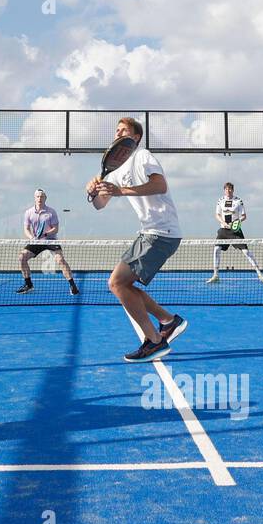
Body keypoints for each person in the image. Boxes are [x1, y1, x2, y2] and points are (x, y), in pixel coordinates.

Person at [86, 118, 188, 362]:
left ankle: (154, 341)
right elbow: (101, 204)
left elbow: (160, 185)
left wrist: (121, 191)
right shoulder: (118, 170)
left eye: (124, 130)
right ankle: (168, 320)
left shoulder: (143, 156)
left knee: (117, 284)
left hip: (161, 233)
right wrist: (92, 192)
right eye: (116, 130)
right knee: (123, 285)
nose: (118, 133)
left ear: (136, 138)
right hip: (150, 233)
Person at [16, 188, 79, 295]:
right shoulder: (28, 212)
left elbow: (56, 229)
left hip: (51, 241)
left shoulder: (51, 212)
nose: (39, 198)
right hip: (36, 242)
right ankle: (28, 284)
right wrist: (31, 238)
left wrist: (46, 234)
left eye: (42, 196)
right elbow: (26, 229)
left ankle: (73, 286)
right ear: (34, 198)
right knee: (22, 257)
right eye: (37, 196)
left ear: (45, 198)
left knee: (60, 260)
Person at [206, 182, 263, 284]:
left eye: (230, 189)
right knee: (216, 249)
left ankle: (260, 275)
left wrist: (237, 222)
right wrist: (223, 223)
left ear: (233, 190)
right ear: (224, 190)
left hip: (235, 231)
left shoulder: (238, 201)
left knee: (246, 252)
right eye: (226, 189)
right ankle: (215, 275)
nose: (228, 191)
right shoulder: (220, 201)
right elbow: (217, 215)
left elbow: (244, 216)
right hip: (223, 231)